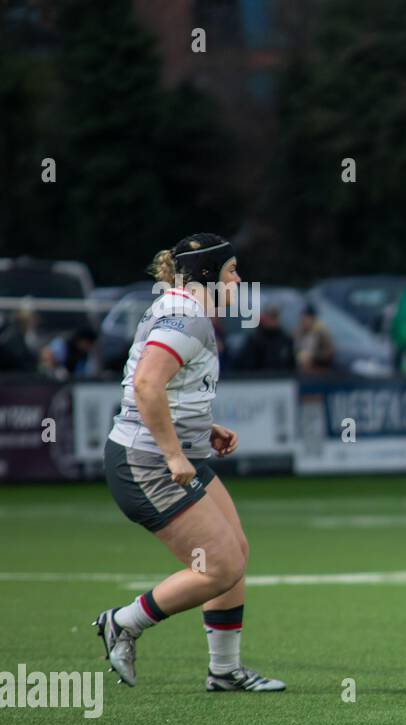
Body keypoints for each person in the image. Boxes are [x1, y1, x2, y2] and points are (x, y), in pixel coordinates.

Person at [93, 233, 284, 692]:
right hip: (147, 463)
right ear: (206, 276)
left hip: (165, 453)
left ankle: (224, 671)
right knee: (218, 566)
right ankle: (124, 622)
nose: (239, 279)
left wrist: (201, 429)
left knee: (234, 553)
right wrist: (175, 451)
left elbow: (165, 387)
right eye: (232, 269)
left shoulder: (182, 309)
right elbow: (146, 385)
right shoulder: (186, 315)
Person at [235, 306, 296, 372]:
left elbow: (291, 365)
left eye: (275, 317)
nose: (273, 321)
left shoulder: (286, 341)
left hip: (282, 379)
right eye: (271, 317)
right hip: (260, 379)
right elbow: (246, 365)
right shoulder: (255, 340)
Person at [295, 304, 335, 373]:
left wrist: (313, 357)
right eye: (303, 317)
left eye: (307, 318)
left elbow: (329, 352)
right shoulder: (299, 332)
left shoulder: (321, 333)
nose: (304, 320)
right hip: (301, 372)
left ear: (313, 318)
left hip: (317, 372)